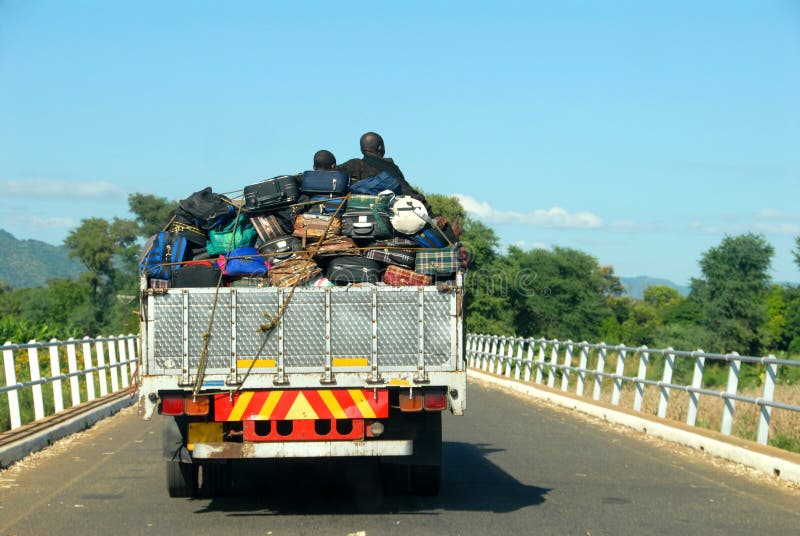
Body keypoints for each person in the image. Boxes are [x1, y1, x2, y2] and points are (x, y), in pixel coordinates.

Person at [338, 132, 431, 211]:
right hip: (381, 217)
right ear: (380, 147)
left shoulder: (351, 165)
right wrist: (430, 212)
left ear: (361, 149)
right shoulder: (388, 167)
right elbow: (407, 192)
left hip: (350, 215)